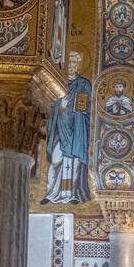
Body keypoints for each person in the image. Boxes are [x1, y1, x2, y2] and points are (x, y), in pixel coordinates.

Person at [43, 52, 92, 205]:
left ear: (78, 64)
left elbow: (89, 106)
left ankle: (71, 194)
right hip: (60, 129)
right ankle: (51, 193)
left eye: (75, 62)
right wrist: (60, 107)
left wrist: (83, 108)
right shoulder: (56, 83)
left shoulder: (84, 84)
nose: (72, 65)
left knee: (75, 162)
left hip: (77, 130)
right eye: (69, 62)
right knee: (56, 161)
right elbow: (49, 106)